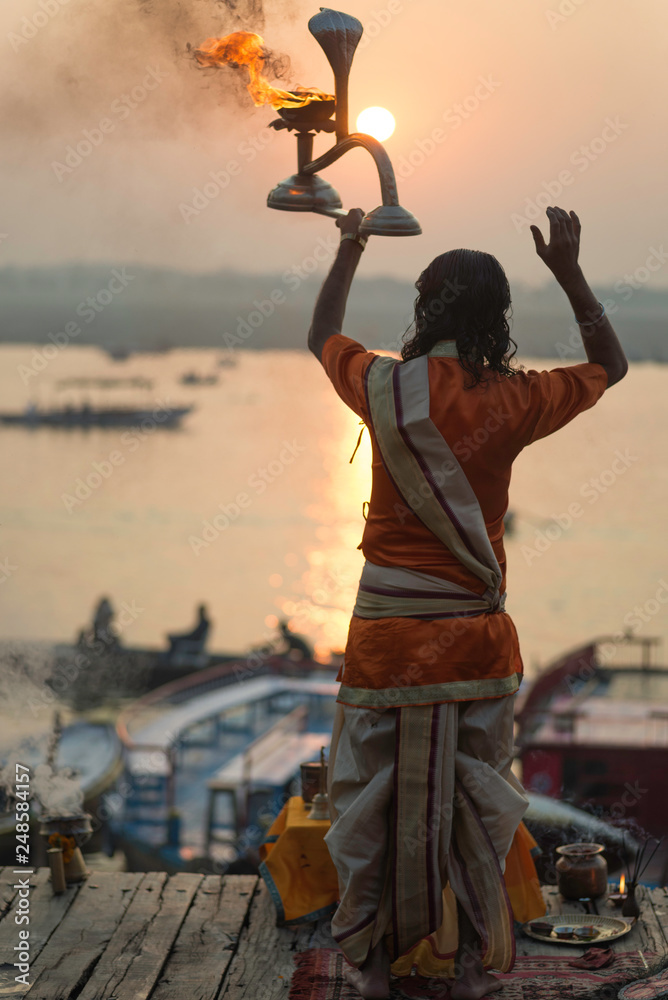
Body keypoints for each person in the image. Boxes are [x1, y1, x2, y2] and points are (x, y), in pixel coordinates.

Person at [307, 205, 627, 1000]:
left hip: (385, 647)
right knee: (473, 809)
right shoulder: (515, 401)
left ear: (425, 308)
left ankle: (377, 971)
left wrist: (348, 247)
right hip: (476, 648)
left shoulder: (382, 385)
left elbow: (320, 334)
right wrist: (571, 273)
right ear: (498, 318)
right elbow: (611, 366)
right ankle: (472, 969)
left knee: (370, 808)